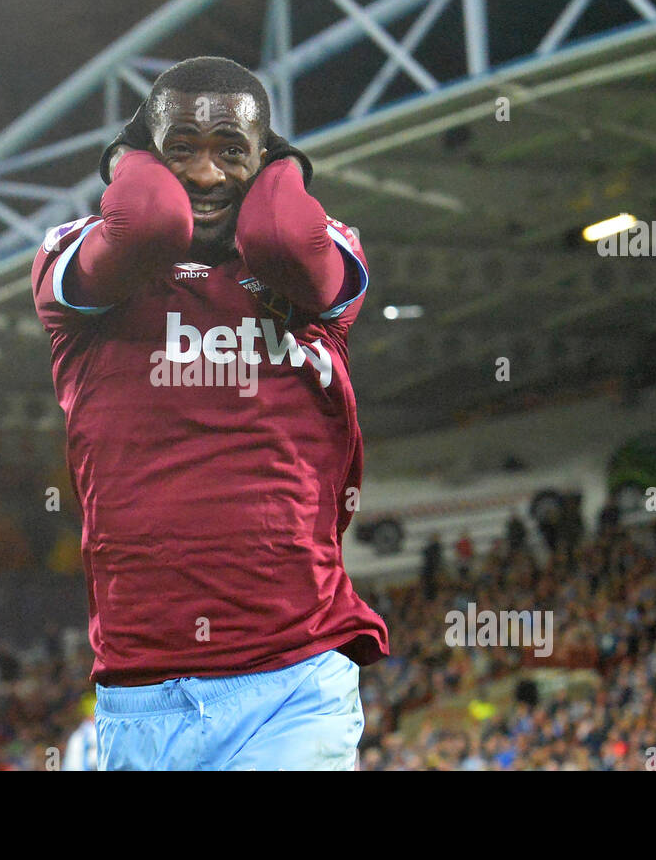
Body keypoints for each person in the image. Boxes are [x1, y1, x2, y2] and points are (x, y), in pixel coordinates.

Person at [31, 56, 388, 770]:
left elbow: (283, 236)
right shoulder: (75, 255)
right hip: (140, 693)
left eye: (231, 150)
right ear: (145, 155)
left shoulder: (325, 251)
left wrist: (283, 165)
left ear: (265, 157)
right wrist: (129, 156)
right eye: (181, 149)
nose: (204, 173)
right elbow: (147, 222)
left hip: (294, 678)